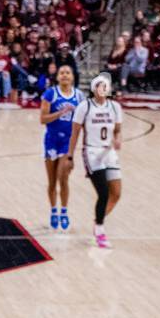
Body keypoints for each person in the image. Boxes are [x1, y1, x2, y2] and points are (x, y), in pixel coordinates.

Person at [66, 72, 123, 249]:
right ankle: (100, 230)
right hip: (92, 152)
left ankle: (98, 220)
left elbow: (118, 130)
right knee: (104, 193)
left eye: (105, 86)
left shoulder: (115, 107)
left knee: (116, 194)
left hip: (109, 153)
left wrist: (118, 138)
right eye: (100, 86)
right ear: (94, 89)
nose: (103, 89)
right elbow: (75, 133)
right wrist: (70, 157)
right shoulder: (85, 107)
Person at [38, 62, 83, 231]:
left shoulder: (79, 96)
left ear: (72, 77)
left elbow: (83, 120)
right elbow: (42, 119)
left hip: (67, 142)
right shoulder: (50, 94)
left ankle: (64, 211)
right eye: (62, 72)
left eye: (67, 72)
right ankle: (53, 211)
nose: (64, 75)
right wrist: (60, 113)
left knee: (63, 178)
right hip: (51, 140)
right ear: (57, 77)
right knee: (51, 182)